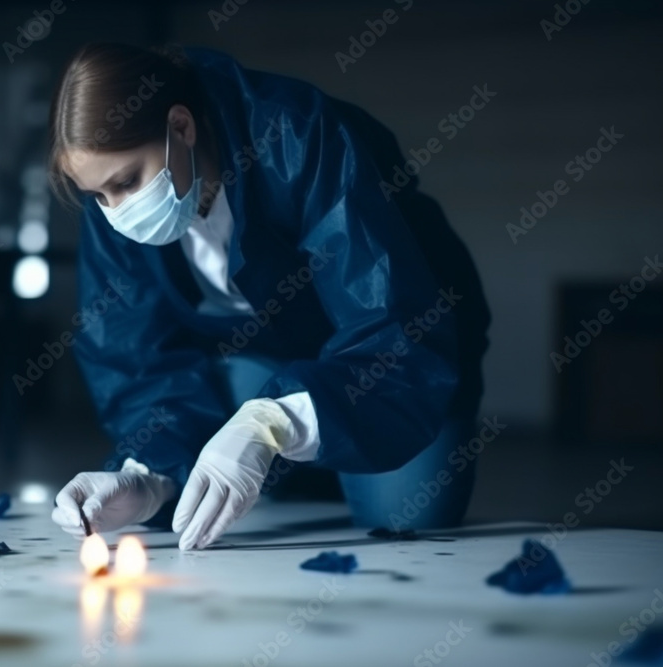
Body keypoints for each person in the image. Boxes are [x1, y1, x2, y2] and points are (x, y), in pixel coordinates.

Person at [46, 43, 490, 550]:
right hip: (261, 359)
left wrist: (274, 423)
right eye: (98, 195)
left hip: (396, 362)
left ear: (181, 127)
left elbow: (394, 320)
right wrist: (148, 476)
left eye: (127, 181)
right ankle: (295, 458)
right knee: (218, 462)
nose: (117, 211)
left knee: (405, 514)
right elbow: (133, 357)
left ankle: (305, 454)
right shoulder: (113, 210)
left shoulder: (297, 134)